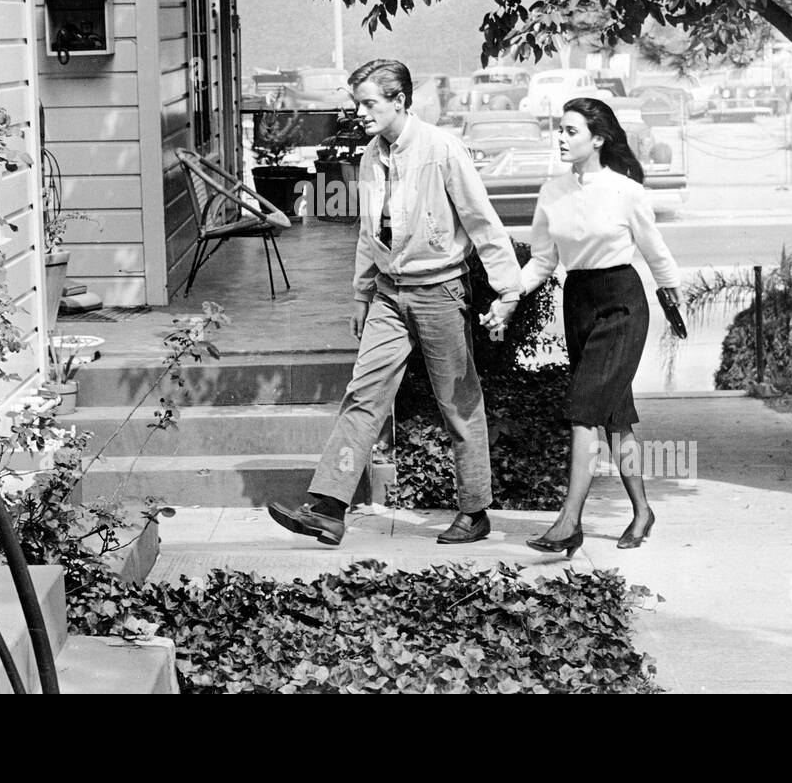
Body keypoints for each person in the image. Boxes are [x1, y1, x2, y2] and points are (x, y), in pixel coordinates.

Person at [268, 59, 522, 546]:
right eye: (356, 103)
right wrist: (362, 294)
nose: (360, 112)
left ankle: (475, 511)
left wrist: (508, 291)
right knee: (363, 395)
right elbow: (369, 231)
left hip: (440, 290)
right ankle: (328, 507)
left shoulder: (442, 148)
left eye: (369, 103)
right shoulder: (369, 156)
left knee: (458, 402)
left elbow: (482, 221)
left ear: (400, 100)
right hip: (388, 294)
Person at [492, 96, 681, 556]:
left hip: (621, 306)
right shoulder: (551, 191)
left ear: (597, 139)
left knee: (582, 412)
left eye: (571, 130)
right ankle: (642, 512)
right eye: (559, 128)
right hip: (577, 304)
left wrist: (673, 301)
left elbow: (656, 253)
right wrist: (508, 299)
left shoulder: (626, 191)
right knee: (615, 418)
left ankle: (568, 522)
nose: (560, 137)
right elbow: (542, 260)